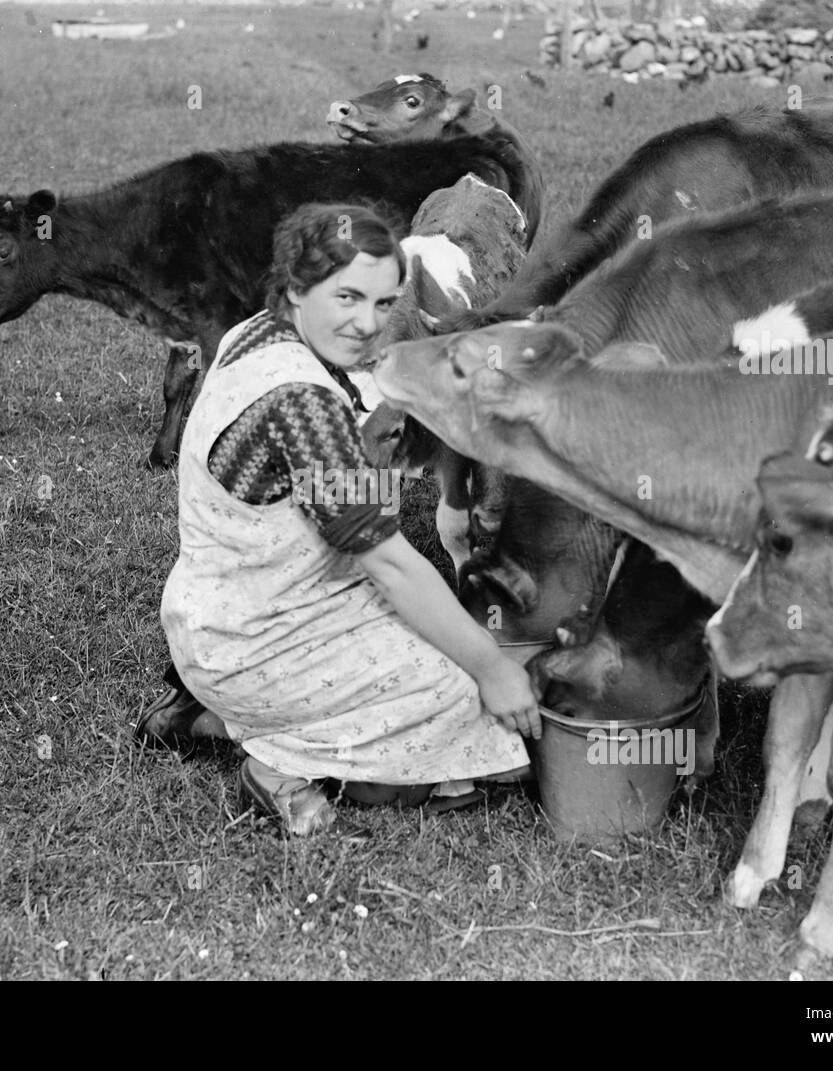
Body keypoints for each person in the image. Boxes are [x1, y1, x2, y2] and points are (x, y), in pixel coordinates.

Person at [141, 203, 540, 835]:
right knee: (477, 700)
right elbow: (389, 563)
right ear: (297, 288)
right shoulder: (303, 404)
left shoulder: (255, 334)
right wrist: (492, 670)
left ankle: (205, 718)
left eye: (384, 304)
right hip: (262, 640)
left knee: (459, 643)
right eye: (348, 297)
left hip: (225, 610)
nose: (367, 323)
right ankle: (278, 768)